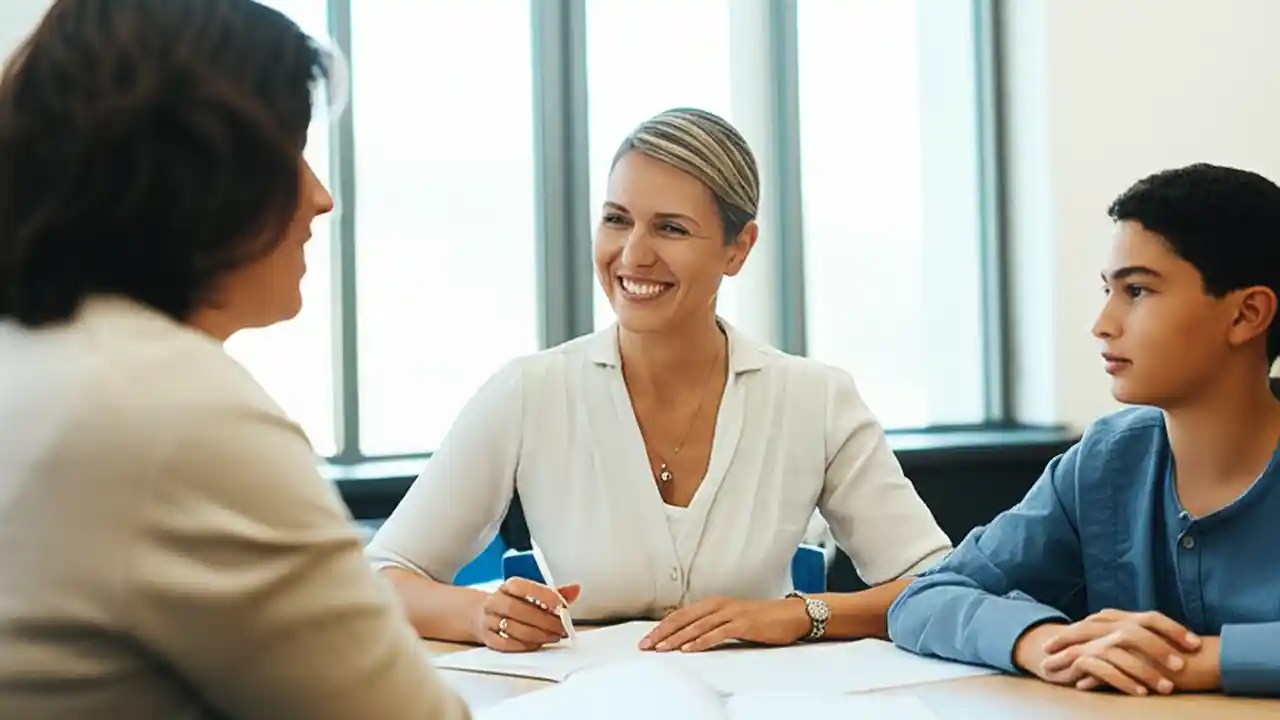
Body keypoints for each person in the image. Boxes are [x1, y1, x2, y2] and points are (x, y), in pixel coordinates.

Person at [0, 1, 469, 718]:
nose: (321, 197)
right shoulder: (171, 409)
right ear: (200, 169)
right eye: (291, 150)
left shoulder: (44, 360)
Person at [367, 107, 952, 654]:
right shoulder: (529, 392)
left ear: (738, 248)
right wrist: (478, 614)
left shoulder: (816, 399)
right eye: (617, 220)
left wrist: (799, 614)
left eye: (670, 228)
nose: (633, 255)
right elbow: (382, 576)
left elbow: (937, 585)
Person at [887, 163, 1280, 699]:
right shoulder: (1106, 460)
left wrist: (1209, 660)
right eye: (1108, 290)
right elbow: (928, 597)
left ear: (1247, 315)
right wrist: (1047, 643)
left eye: (1138, 291)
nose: (1104, 323)